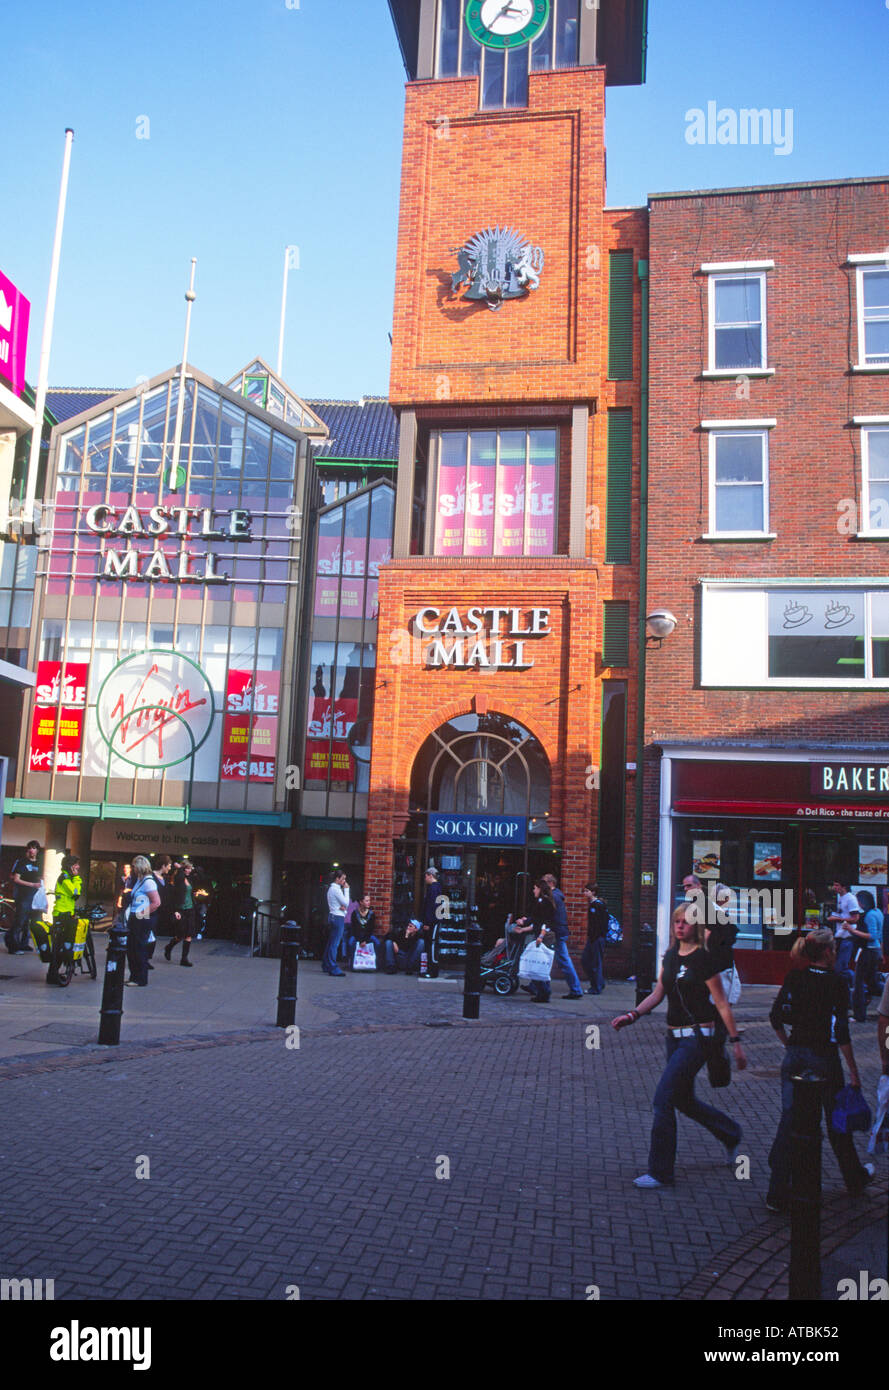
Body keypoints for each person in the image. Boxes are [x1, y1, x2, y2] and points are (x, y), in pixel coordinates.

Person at [611, 903, 746, 1189]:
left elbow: (721, 1003)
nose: (680, 926)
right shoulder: (671, 956)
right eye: (677, 922)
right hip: (673, 1037)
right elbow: (658, 993)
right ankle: (730, 1132)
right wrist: (633, 1015)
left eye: (685, 922)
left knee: (663, 1099)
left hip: (698, 1037)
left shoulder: (704, 959)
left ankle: (660, 1172)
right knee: (683, 1099)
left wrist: (736, 1042)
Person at [765, 929, 874, 1212]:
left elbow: (775, 1017)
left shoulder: (795, 977)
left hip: (795, 1056)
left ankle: (777, 1191)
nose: (836, 953)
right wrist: (854, 1071)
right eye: (834, 949)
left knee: (790, 1121)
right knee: (837, 1120)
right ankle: (854, 1178)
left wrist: (790, 1045)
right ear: (827, 952)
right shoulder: (837, 982)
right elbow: (841, 1031)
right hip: (824, 1058)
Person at [514, 878, 557, 1003]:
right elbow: (538, 921)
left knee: (538, 964)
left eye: (535, 888)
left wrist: (540, 936)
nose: (533, 891)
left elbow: (543, 922)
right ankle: (543, 992)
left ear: (539, 888)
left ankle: (544, 992)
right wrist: (524, 927)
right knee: (541, 964)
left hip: (544, 936)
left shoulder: (543, 902)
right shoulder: (545, 901)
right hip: (544, 935)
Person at [543, 873, 583, 999]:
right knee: (545, 958)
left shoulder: (553, 897)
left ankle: (576, 989)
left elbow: (550, 916)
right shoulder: (557, 895)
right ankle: (536, 985)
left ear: (550, 883)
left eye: (544, 882)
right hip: (559, 931)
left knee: (563, 961)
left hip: (556, 933)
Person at [125, 856, 161, 988]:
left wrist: (141, 914)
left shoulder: (148, 882)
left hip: (142, 918)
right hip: (137, 917)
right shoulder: (140, 881)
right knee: (132, 948)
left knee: (138, 948)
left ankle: (139, 978)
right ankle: (134, 976)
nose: (133, 868)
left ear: (140, 867)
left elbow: (156, 902)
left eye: (134, 866)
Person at [850, 890, 884, 1023]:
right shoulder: (878, 912)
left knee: (858, 983)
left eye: (858, 901)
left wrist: (852, 930)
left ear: (862, 902)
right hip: (875, 950)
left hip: (868, 951)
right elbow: (880, 936)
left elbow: (872, 936)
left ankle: (859, 1015)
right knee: (872, 982)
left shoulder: (869, 915)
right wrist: (881, 952)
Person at [49, 854, 83, 984]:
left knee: (60, 945)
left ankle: (53, 974)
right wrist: (77, 878)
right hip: (62, 914)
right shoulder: (65, 877)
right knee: (60, 945)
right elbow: (75, 892)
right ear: (70, 866)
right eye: (76, 864)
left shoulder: (67, 877)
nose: (78, 867)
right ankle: (53, 974)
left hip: (66, 913)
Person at [7, 840, 42, 954]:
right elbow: (16, 879)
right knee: (19, 921)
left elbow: (39, 878)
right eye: (30, 848)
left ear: (37, 850)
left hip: (34, 896)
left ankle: (24, 944)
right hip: (23, 896)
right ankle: (13, 946)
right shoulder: (22, 862)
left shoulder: (38, 863)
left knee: (28, 922)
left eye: (34, 848)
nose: (32, 850)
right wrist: (32, 884)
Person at [827, 877, 860, 990]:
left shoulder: (850, 899)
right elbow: (842, 914)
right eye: (834, 885)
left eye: (837, 885)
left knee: (842, 967)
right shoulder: (840, 898)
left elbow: (855, 918)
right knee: (838, 966)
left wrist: (837, 919)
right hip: (840, 935)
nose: (834, 887)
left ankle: (861, 985)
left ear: (843, 887)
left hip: (848, 936)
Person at [165, 859, 197, 967]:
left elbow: (199, 876)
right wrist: (179, 869)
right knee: (180, 934)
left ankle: (184, 959)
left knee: (189, 934)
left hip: (190, 908)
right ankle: (169, 947)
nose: (189, 870)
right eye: (187, 868)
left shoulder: (189, 879)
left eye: (190, 868)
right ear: (182, 869)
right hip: (181, 909)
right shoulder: (179, 879)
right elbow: (174, 896)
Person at [581, 883, 608, 995]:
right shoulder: (595, 904)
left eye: (587, 891)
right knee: (587, 960)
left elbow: (599, 924)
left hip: (596, 938)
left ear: (593, 892)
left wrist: (595, 936)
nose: (585, 893)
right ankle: (599, 983)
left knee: (593, 962)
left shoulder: (596, 905)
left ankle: (596, 987)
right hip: (594, 938)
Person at [324, 870, 349, 977]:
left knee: (331, 942)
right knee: (335, 944)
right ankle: (333, 967)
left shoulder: (332, 889)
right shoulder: (336, 889)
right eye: (343, 879)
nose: (344, 881)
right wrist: (347, 890)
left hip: (333, 915)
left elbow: (342, 905)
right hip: (338, 918)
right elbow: (346, 903)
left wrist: (343, 908)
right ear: (337, 879)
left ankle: (326, 965)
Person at [346, 894, 383, 969]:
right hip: (357, 935)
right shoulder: (355, 913)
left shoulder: (371, 914)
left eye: (369, 901)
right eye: (366, 901)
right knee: (350, 943)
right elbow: (354, 928)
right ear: (361, 902)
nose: (369, 902)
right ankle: (352, 964)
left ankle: (376, 964)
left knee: (377, 943)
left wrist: (365, 940)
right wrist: (360, 940)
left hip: (368, 936)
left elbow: (371, 929)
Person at [420, 867, 443, 979]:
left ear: (430, 875)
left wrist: (427, 923)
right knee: (431, 945)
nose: (425, 878)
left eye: (425, 876)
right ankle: (430, 970)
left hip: (432, 923)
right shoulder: (437, 888)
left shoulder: (433, 889)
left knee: (432, 945)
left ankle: (432, 971)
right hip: (434, 922)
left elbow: (431, 907)